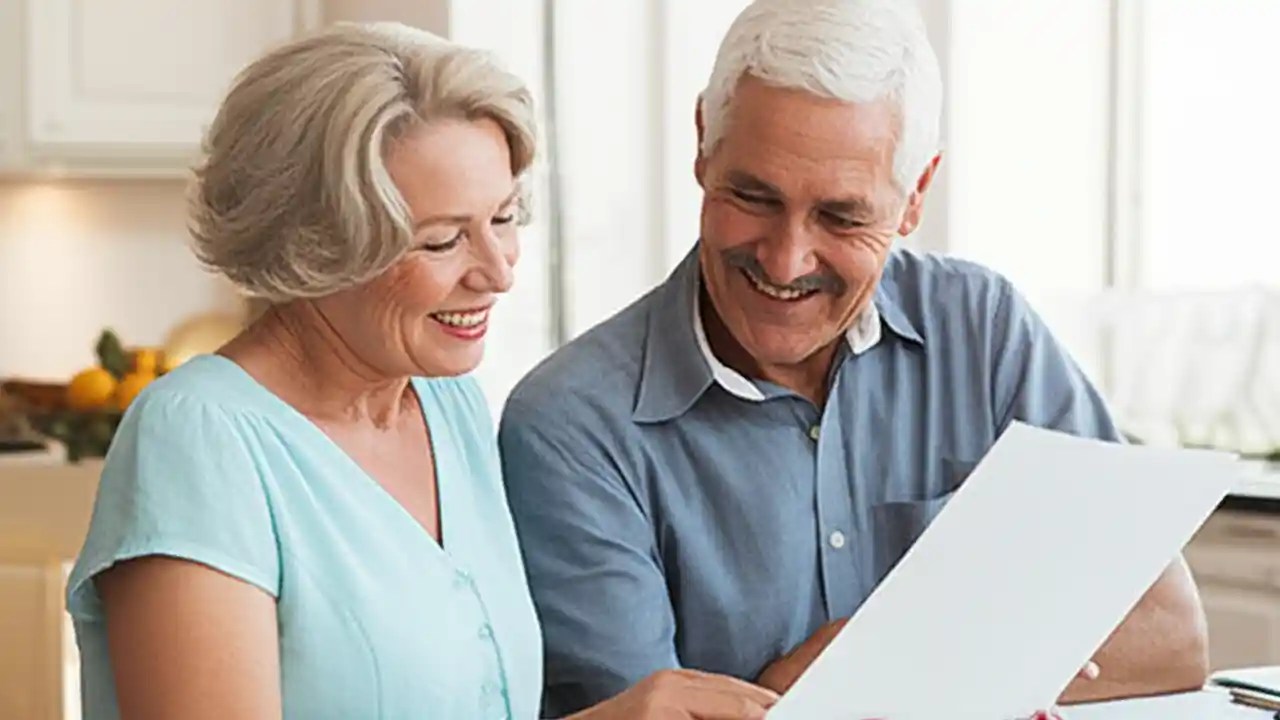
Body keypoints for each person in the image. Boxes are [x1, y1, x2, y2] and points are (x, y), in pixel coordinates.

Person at [497, 0, 1210, 716]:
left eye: (841, 215)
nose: (785, 258)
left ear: (914, 196)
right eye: (753, 196)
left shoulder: (983, 331)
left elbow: (1169, 637)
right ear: (703, 146)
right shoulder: (571, 427)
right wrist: (983, 653)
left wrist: (849, 665)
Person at [64, 22, 777, 720]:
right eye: (442, 241)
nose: (496, 273)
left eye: (503, 219)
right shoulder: (199, 442)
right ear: (315, 245)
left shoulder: (449, 405)